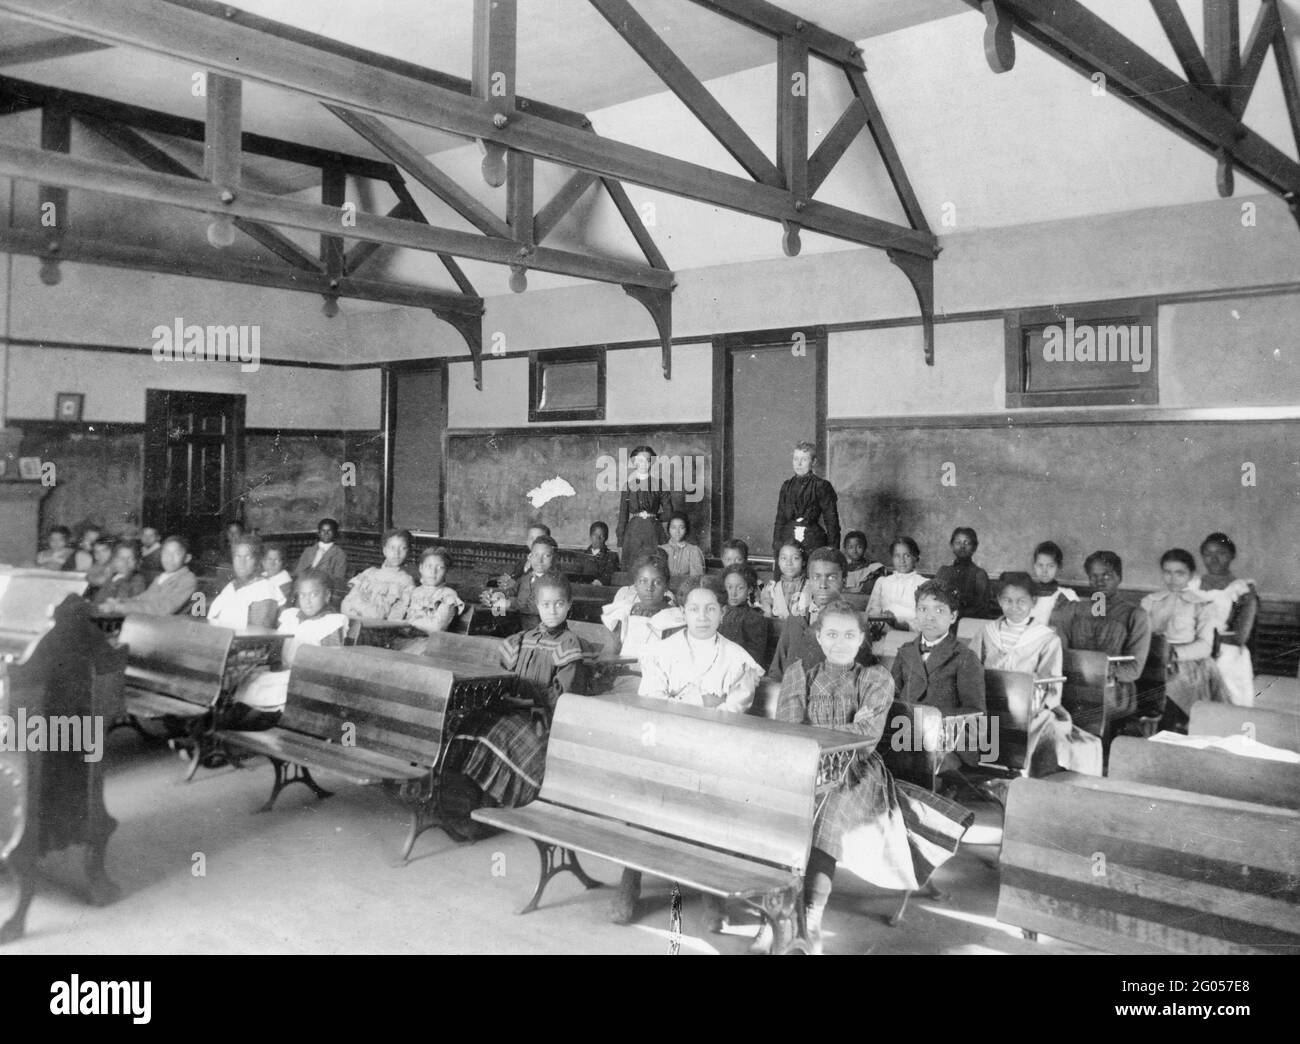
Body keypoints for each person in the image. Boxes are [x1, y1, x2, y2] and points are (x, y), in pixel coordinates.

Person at [770, 599, 972, 954]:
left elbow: (865, 733)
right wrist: (813, 745)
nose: (839, 642)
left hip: (858, 772)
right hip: (803, 766)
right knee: (775, 805)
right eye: (831, 634)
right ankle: (776, 914)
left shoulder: (875, 678)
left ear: (862, 637)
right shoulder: (799, 674)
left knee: (829, 807)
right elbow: (790, 729)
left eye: (850, 634)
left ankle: (811, 917)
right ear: (818, 636)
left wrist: (818, 737)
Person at [613, 578, 763, 926]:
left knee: (709, 793)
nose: (702, 616)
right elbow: (652, 701)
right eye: (694, 608)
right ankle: (630, 878)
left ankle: (709, 889)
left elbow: (733, 710)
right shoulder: (662, 651)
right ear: (682, 612)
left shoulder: (738, 659)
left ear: (722, 613)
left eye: (711, 608)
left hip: (715, 746)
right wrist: (701, 700)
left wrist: (684, 699)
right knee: (646, 785)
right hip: (666, 740)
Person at [452, 573, 587, 812]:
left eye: (559, 604)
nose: (553, 610)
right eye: (546, 604)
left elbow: (563, 697)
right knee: (475, 724)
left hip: (542, 716)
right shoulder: (522, 640)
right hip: (513, 708)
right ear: (536, 606)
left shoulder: (568, 645)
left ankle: (495, 801)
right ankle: (469, 799)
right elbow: (502, 676)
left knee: (504, 735)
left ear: (569, 606)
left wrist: (530, 702)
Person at [969, 572, 1101, 777]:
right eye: (1007, 600)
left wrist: (1028, 701)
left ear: (1034, 601)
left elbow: (1052, 687)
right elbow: (970, 668)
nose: (1014, 606)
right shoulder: (987, 632)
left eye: (1021, 601)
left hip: (1032, 707)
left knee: (1031, 724)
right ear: (998, 601)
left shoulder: (1047, 639)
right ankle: (981, 771)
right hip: (987, 701)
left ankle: (1017, 774)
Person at [221, 570, 350, 732]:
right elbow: (276, 647)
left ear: (327, 596)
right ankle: (227, 726)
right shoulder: (291, 617)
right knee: (252, 681)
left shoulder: (332, 622)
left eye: (314, 595)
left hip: (306, 679)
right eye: (303, 595)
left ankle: (249, 726)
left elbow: (331, 663)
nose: (307, 601)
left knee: (268, 697)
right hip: (283, 672)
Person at [1055, 550, 1152, 719]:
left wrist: (1098, 672)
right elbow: (1060, 654)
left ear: (1119, 577)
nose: (1099, 581)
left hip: (1114, 693)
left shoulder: (1135, 615)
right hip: (1074, 687)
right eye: (1093, 576)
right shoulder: (1072, 610)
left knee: (1089, 709)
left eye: (1106, 576)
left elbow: (1134, 669)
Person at [1141, 549, 1228, 730]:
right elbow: (1141, 634)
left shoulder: (1202, 604)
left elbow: (1205, 646)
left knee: (1173, 684)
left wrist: (1174, 654)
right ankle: (1146, 731)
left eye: (1179, 573)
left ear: (1191, 575)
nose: (1173, 579)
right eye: (1167, 572)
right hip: (1153, 657)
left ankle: (1170, 730)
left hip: (1187, 661)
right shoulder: (1151, 601)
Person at [766, 548, 878, 680]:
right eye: (816, 577)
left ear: (844, 581)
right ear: (809, 580)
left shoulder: (855, 623)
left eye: (831, 577)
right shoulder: (796, 617)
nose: (823, 585)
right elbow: (777, 669)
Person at [890, 581, 986, 715]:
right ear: (916, 612)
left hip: (940, 732)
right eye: (923, 609)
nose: (929, 617)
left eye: (939, 610)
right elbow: (890, 698)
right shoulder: (905, 651)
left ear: (953, 617)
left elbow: (976, 714)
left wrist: (933, 716)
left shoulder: (965, 657)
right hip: (902, 729)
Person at [1190, 532, 1257, 706]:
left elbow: (1241, 636)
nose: (1214, 559)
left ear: (1232, 555)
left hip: (1226, 654)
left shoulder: (1243, 589)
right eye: (1208, 554)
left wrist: (1206, 643)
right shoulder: (1191, 585)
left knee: (1224, 712)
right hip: (1191, 651)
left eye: (1221, 553)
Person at [600, 554, 683, 661]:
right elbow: (610, 650)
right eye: (643, 581)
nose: (649, 588)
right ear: (635, 585)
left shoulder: (673, 618)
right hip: (624, 672)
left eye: (657, 582)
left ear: (666, 586)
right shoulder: (625, 613)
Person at [771, 440, 840, 559]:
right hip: (788, 541)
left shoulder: (821, 486)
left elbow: (831, 521)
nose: (799, 463)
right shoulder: (786, 486)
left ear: (813, 462)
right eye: (795, 459)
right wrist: (777, 547)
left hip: (813, 541)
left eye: (804, 459)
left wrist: (832, 550)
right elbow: (780, 520)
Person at [99, 535, 198, 616]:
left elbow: (163, 609)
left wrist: (119, 607)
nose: (169, 558)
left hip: (170, 628)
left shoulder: (188, 579)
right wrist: (120, 601)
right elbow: (143, 598)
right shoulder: (161, 577)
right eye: (166, 553)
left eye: (177, 554)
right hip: (153, 623)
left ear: (187, 558)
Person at [615, 444, 673, 568]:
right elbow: (623, 516)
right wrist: (620, 541)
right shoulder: (628, 486)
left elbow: (669, 512)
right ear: (635, 462)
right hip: (633, 533)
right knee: (633, 568)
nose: (644, 464)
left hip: (653, 531)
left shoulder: (660, 484)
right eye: (640, 460)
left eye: (648, 460)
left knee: (654, 566)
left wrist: (654, 516)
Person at [208, 536, 285, 629]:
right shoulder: (231, 586)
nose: (242, 562)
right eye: (238, 556)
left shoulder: (265, 589)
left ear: (257, 561)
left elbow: (257, 635)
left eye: (248, 557)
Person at [341, 529, 415, 620]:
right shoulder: (370, 573)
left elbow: (398, 613)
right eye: (392, 548)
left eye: (403, 548)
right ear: (384, 550)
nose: (397, 553)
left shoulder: (405, 580)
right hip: (352, 620)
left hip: (377, 626)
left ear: (408, 552)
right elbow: (348, 601)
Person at [487, 534, 558, 629]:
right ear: (530, 556)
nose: (539, 560)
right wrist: (494, 596)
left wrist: (509, 603)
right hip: (521, 625)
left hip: (542, 630)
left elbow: (539, 607)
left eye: (546, 556)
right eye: (536, 555)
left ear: (554, 559)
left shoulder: (556, 582)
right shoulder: (526, 578)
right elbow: (512, 591)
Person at [866, 537, 927, 631]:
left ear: (916, 558)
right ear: (892, 558)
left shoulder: (924, 584)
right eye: (897, 556)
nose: (902, 560)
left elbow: (925, 620)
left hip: (910, 633)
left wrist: (898, 624)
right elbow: (872, 612)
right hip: (883, 630)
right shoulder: (882, 582)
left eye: (907, 555)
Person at [933, 527, 994, 617]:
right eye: (958, 543)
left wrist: (954, 615)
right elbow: (934, 598)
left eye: (967, 543)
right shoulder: (943, 571)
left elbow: (982, 607)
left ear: (974, 547)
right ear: (952, 546)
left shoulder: (979, 574)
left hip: (967, 622)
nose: (962, 546)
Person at [403, 547, 464, 635]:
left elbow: (437, 627)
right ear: (421, 568)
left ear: (446, 571)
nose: (433, 572)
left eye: (439, 567)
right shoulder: (415, 591)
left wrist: (410, 622)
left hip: (432, 643)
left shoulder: (448, 595)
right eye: (429, 566)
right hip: (407, 638)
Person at [718, 563, 766, 664]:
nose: (733, 593)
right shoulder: (719, 611)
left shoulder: (754, 618)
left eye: (740, 588)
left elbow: (755, 656)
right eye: (729, 587)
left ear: (749, 589)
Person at [294, 518, 348, 605]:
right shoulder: (308, 551)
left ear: (335, 533)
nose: (326, 533)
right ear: (318, 533)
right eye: (323, 531)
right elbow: (298, 572)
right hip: (305, 585)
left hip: (323, 588)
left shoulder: (340, 554)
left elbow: (339, 579)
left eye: (329, 531)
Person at [1029, 540, 1079, 630]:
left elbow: (1076, 627)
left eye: (1050, 566)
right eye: (1040, 565)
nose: (1044, 571)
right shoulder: (1027, 594)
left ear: (1059, 567)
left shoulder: (1069, 595)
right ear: (1034, 566)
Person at [495, 523, 551, 597]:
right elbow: (515, 579)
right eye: (531, 538)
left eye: (538, 539)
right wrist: (506, 582)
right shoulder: (522, 562)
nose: (534, 541)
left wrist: (515, 585)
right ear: (527, 542)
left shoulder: (546, 563)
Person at [760, 541, 807, 619]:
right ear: (778, 561)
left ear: (803, 562)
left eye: (795, 558)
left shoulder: (810, 587)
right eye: (784, 558)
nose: (789, 563)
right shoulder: (771, 589)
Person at [91, 541, 147, 606]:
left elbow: (130, 603)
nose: (126, 562)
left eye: (130, 558)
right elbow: (99, 598)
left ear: (135, 561)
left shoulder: (137, 579)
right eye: (122, 558)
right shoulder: (113, 576)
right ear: (114, 560)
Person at [660, 511, 705, 588]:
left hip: (685, 592)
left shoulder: (693, 550)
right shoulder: (661, 549)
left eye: (681, 527)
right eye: (673, 527)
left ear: (686, 529)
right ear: (668, 529)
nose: (677, 532)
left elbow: (696, 580)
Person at [842, 530, 885, 595]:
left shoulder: (873, 568)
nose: (854, 551)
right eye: (850, 547)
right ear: (845, 549)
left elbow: (869, 589)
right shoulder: (841, 568)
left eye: (859, 547)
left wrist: (845, 590)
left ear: (865, 547)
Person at [584, 521, 620, 586]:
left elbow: (610, 574)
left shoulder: (611, 556)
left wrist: (600, 582)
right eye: (595, 535)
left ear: (606, 538)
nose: (598, 538)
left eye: (601, 536)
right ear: (590, 536)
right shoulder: (584, 555)